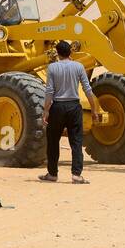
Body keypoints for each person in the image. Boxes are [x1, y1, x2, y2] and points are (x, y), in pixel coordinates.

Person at [40, 40, 95, 184]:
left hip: (57, 107)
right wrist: (94, 109)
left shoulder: (52, 68)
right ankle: (76, 175)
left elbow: (49, 92)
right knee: (76, 142)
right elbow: (87, 90)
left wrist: (46, 111)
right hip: (74, 107)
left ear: (57, 53)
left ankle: (52, 174)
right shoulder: (79, 66)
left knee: (53, 141)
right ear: (70, 52)